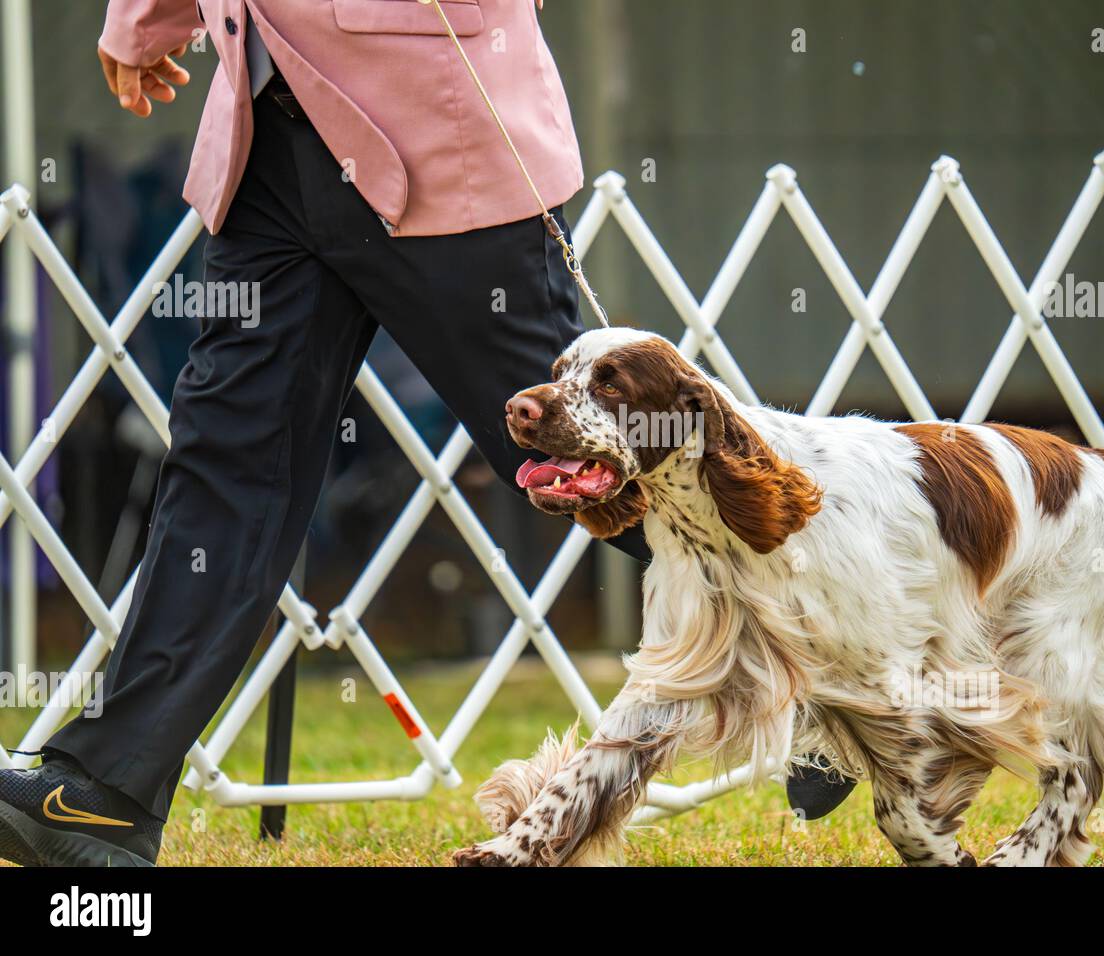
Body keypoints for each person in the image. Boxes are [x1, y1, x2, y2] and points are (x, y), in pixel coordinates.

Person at [0, 0, 850, 868]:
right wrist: (148, 16)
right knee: (226, 463)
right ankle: (102, 794)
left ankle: (844, 659)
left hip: (440, 129)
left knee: (594, 453)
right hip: (268, 142)